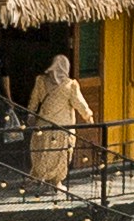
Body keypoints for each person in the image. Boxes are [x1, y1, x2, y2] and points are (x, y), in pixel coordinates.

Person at [28, 52, 98, 189]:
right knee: (60, 156)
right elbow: (80, 103)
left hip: (43, 127)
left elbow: (34, 101)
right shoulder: (70, 85)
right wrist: (88, 117)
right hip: (62, 129)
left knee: (42, 153)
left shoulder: (41, 81)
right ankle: (56, 182)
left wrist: (30, 115)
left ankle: (40, 178)